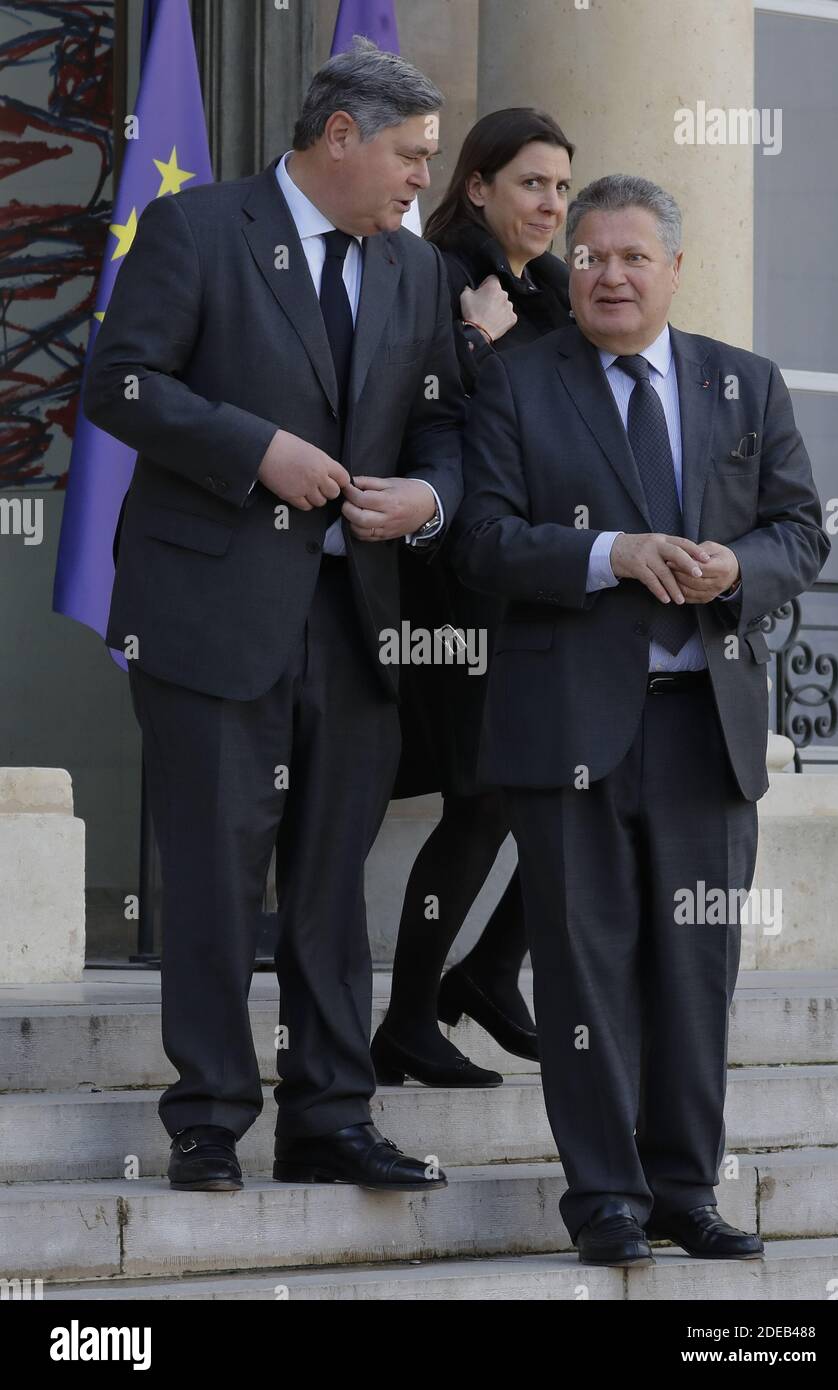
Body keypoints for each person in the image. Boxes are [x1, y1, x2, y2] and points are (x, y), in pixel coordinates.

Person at [82, 39, 465, 1194]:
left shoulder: (414, 270)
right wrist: (256, 451)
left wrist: (429, 494)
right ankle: (206, 1121)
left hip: (354, 618)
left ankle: (329, 1117)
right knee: (208, 872)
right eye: (410, 156)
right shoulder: (198, 231)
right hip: (210, 609)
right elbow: (122, 383)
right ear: (340, 135)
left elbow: (445, 417)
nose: (421, 184)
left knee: (330, 882)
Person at [449, 174, 830, 1264]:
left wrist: (733, 569)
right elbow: (476, 539)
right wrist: (607, 555)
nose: (607, 275)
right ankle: (604, 1200)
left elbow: (798, 532)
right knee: (579, 968)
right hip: (568, 726)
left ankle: (683, 1191)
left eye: (629, 257)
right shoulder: (517, 385)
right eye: (591, 256)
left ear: (672, 268)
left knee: (692, 970)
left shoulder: (742, 385)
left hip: (704, 733)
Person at [372, 110, 574, 1088]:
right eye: (531, 183)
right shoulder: (437, 274)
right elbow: (413, 409)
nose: (550, 204)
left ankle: (484, 971)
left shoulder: (549, 289)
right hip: (452, 590)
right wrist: (472, 344)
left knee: (556, 785)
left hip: (532, 585)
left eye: (562, 188)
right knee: (485, 794)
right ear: (479, 184)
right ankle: (420, 1009)